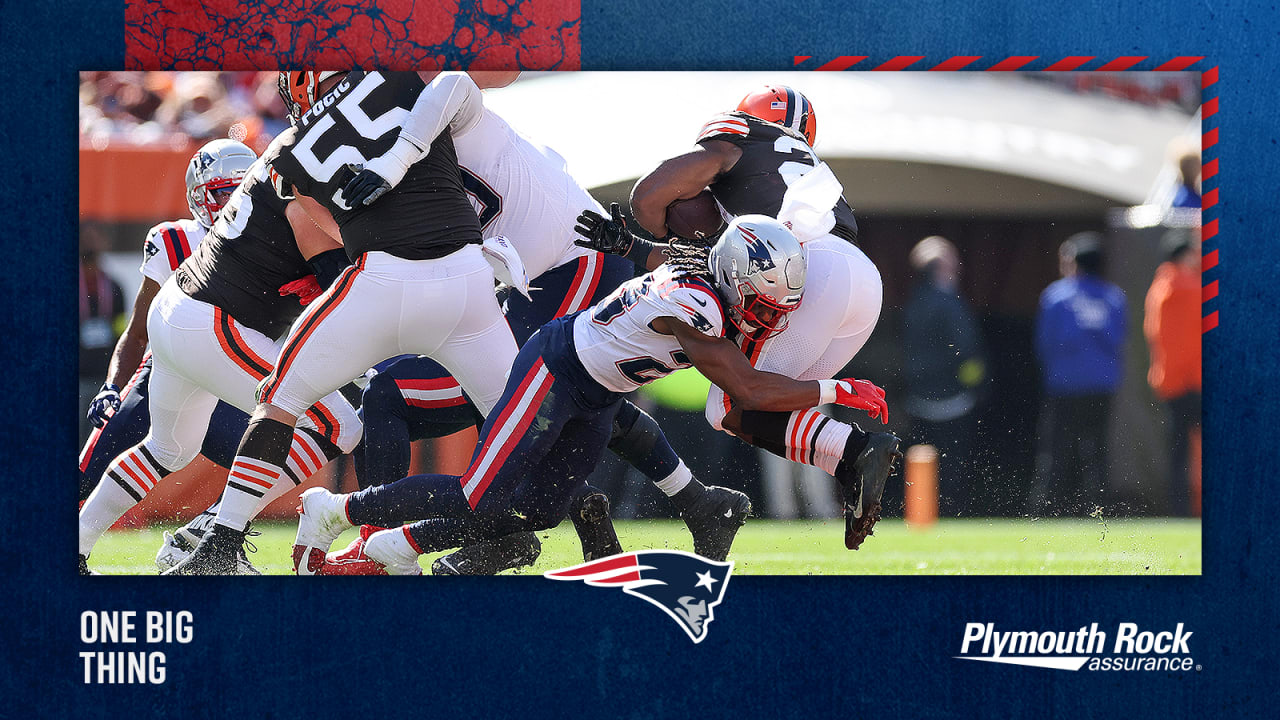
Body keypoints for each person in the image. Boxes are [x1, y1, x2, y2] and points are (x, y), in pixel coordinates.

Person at [294, 216, 893, 575]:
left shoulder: (709, 277)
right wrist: (838, 388)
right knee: (483, 494)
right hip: (555, 372)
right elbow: (747, 388)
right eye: (762, 304)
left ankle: (402, 544)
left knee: (541, 509)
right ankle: (337, 510)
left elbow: (676, 258)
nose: (768, 319)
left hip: (597, 396)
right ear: (736, 281)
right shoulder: (696, 306)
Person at [339, 71, 749, 572]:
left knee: (541, 388)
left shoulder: (443, 121)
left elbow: (453, 85)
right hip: (531, 284)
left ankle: (391, 545)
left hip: (576, 261)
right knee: (410, 391)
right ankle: (664, 504)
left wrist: (394, 160)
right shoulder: (394, 168)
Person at [167, 70, 522, 575]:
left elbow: (325, 234)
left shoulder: (289, 149)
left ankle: (221, 542)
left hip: (379, 278)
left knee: (279, 400)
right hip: (467, 281)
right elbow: (462, 84)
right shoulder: (400, 76)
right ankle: (528, 535)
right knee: (525, 428)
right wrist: (406, 154)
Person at [577, 84, 899, 548]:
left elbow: (649, 196)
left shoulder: (739, 135)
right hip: (862, 285)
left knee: (729, 405)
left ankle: (854, 451)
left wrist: (655, 231)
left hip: (808, 273)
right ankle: (851, 457)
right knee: (769, 403)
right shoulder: (811, 174)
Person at [78, 138, 363, 575]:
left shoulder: (272, 204)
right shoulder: (294, 207)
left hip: (183, 320)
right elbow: (338, 283)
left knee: (167, 449)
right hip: (209, 325)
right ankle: (216, 536)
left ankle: (72, 547)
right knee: (339, 423)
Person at [78, 141, 258, 571]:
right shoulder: (173, 239)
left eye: (242, 191)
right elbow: (137, 332)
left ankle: (206, 538)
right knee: (91, 464)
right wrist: (111, 387)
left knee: (273, 454)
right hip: (164, 370)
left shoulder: (273, 240)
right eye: (222, 193)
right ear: (199, 195)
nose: (233, 204)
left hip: (228, 377)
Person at [1027, 233, 1127, 515]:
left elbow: (1044, 343)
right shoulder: (1114, 298)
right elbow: (1121, 340)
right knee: (1097, 451)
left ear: (1075, 262)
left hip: (1064, 384)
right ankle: (1098, 511)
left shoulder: (1057, 296)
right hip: (1102, 385)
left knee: (1056, 451)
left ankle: (1047, 510)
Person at [901, 236, 986, 516]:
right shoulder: (951, 303)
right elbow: (967, 348)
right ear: (941, 269)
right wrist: (976, 386)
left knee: (920, 460)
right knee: (952, 465)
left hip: (917, 398)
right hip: (953, 400)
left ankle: (920, 511)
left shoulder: (912, 303)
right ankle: (952, 512)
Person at [1144, 229, 1202, 516]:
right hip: (1195, 380)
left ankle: (1179, 509)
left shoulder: (1158, 287)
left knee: (1177, 452)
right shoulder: (1191, 287)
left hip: (1170, 381)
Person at [78, 229, 126, 444]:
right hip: (78, 377)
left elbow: (122, 331)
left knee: (99, 437)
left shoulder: (113, 287)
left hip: (104, 377)